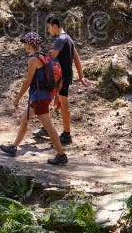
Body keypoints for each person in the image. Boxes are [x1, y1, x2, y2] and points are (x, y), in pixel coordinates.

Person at [0, 32, 68, 165]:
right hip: (44, 96)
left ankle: (61, 154)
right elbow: (51, 78)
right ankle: (13, 147)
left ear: (30, 44)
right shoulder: (43, 56)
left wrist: (17, 99)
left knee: (49, 127)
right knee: (24, 118)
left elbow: (27, 81)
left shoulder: (33, 59)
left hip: (40, 99)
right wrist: (56, 96)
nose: (23, 44)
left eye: (24, 42)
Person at [34, 16, 91, 144]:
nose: (48, 31)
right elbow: (76, 58)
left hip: (60, 78)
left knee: (63, 105)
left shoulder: (60, 40)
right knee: (47, 100)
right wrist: (81, 76)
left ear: (54, 26)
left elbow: (49, 59)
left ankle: (66, 134)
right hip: (62, 77)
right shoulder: (69, 39)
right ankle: (47, 128)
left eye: (49, 28)